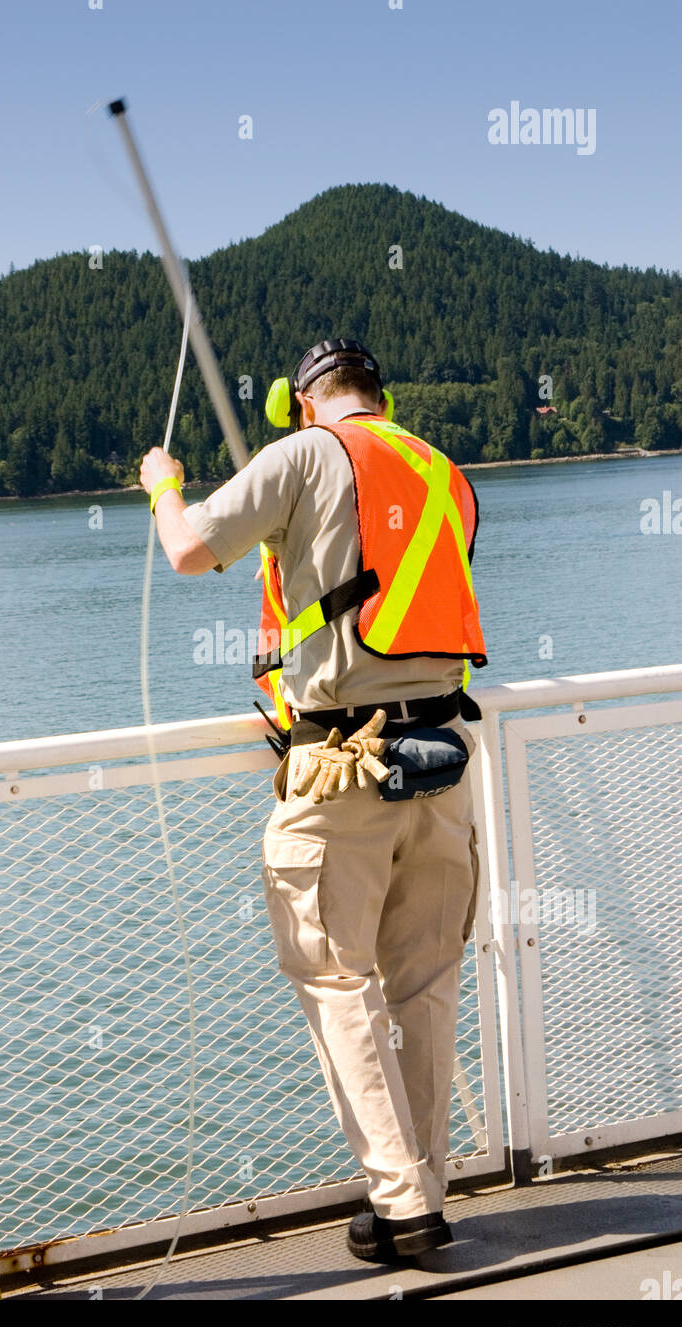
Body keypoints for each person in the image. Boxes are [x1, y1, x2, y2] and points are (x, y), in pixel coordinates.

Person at [140, 338, 487, 1264]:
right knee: (424, 985)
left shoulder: (298, 453)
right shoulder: (442, 471)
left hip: (341, 766)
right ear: (382, 396)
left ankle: (404, 1200)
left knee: (339, 983)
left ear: (298, 400)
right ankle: (422, 1191)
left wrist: (162, 482)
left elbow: (186, 552)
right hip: (445, 760)